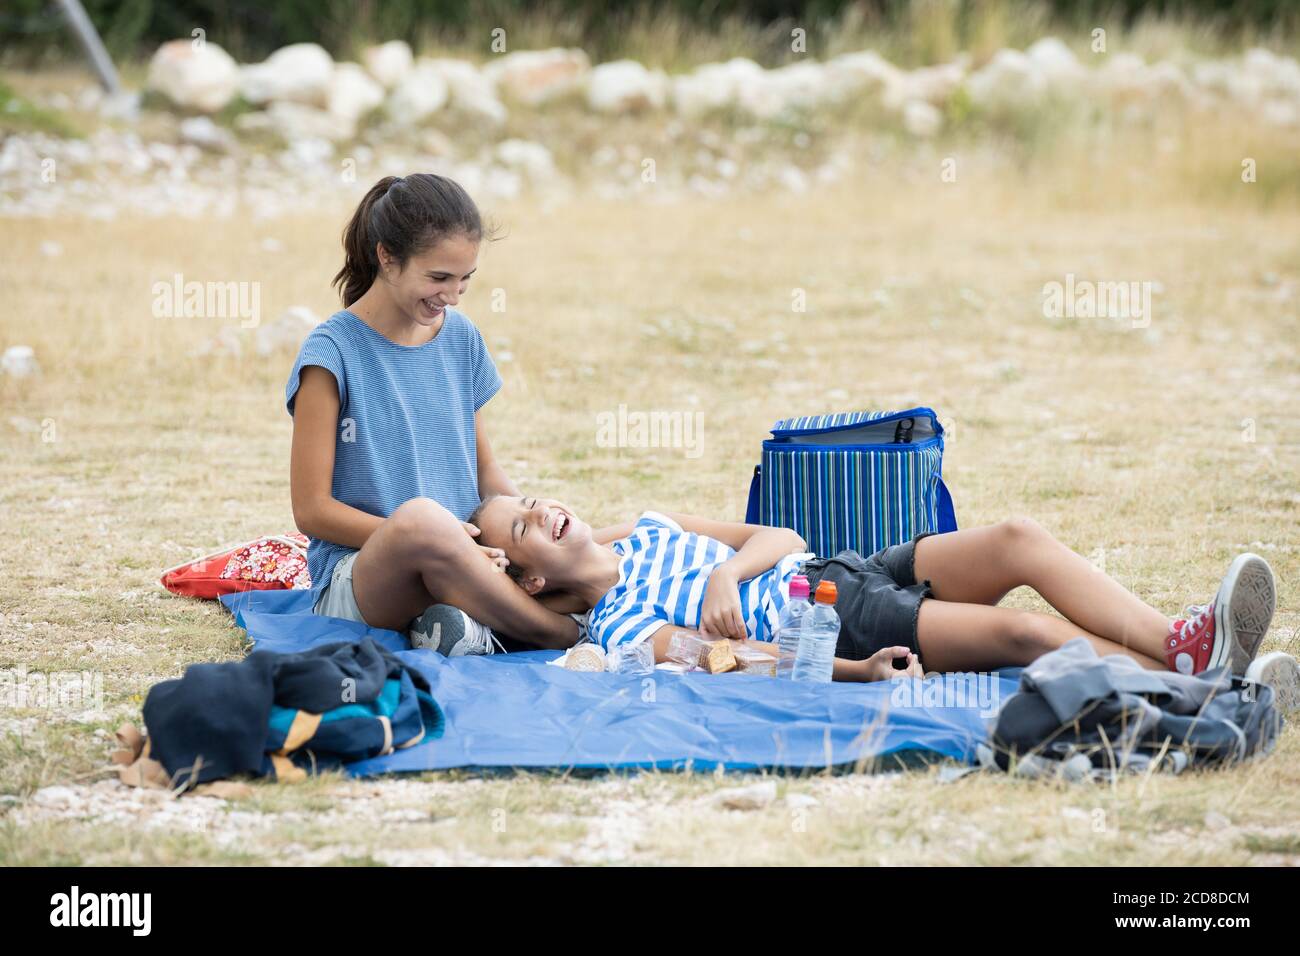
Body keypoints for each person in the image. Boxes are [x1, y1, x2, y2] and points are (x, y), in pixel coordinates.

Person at [469, 495, 1277, 681]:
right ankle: (1203, 690)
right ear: (531, 576)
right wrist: (852, 671)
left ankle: (1187, 647)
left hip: (843, 567)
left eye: (533, 497)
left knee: (1017, 541)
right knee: (1023, 637)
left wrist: (725, 566)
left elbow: (779, 536)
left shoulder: (646, 531)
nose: (540, 508)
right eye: (522, 526)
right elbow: (727, 660)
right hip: (834, 619)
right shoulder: (618, 625)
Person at [286, 174, 580, 655]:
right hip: (363, 576)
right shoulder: (331, 352)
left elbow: (484, 471)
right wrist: (441, 539)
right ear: (387, 256)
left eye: (465, 279)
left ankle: (460, 626)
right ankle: (561, 634)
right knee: (422, 520)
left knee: (562, 543)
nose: (453, 295)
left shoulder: (461, 337)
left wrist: (531, 518)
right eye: (439, 278)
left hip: (467, 558)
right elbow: (312, 510)